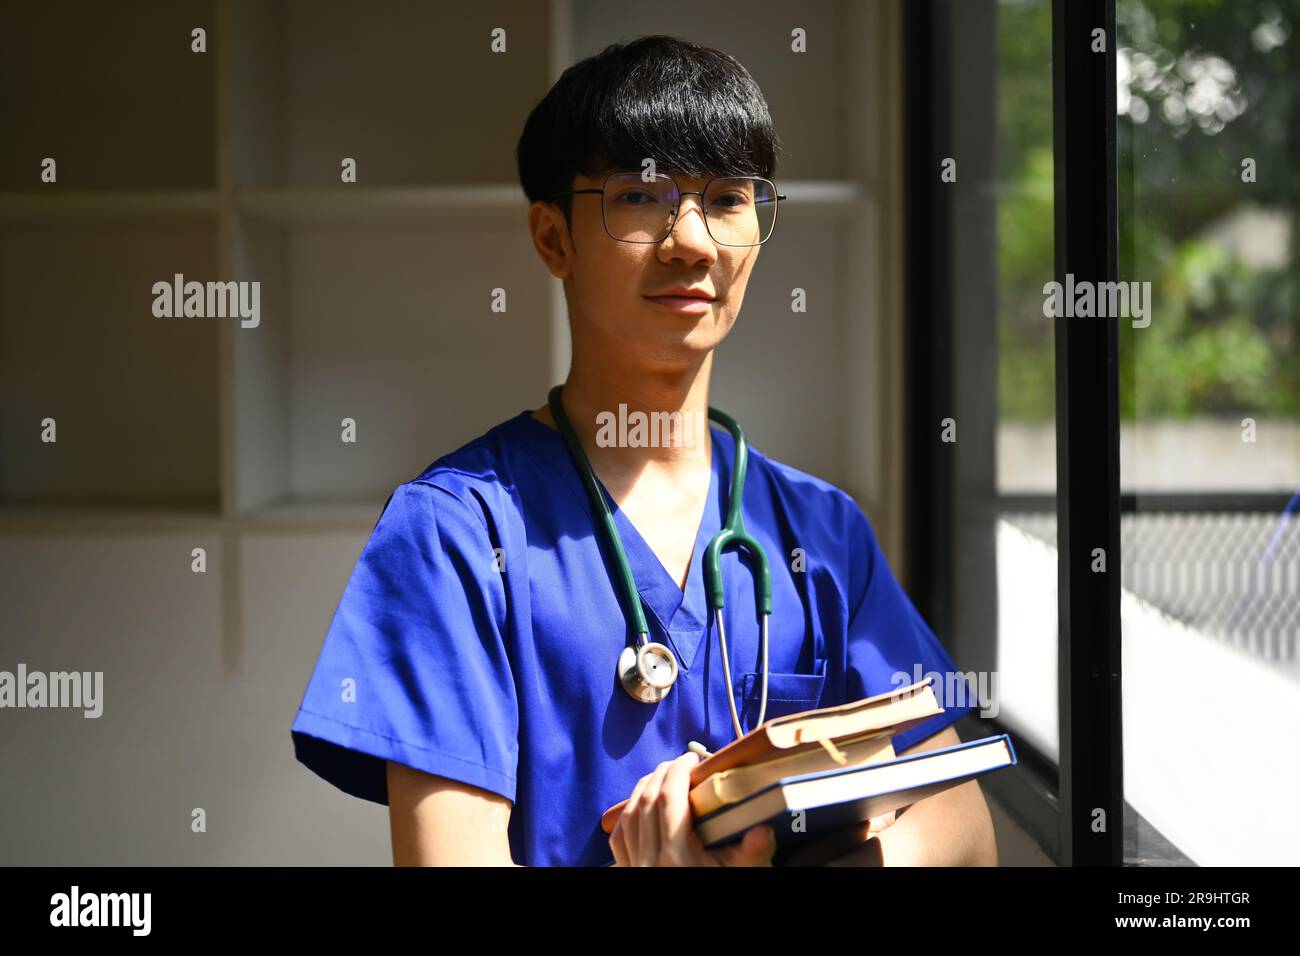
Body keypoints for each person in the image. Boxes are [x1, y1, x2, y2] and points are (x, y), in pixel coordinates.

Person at [289, 34, 996, 867]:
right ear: (553, 240)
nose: (692, 241)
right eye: (639, 196)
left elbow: (962, 826)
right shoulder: (457, 532)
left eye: (728, 197)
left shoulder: (820, 529)